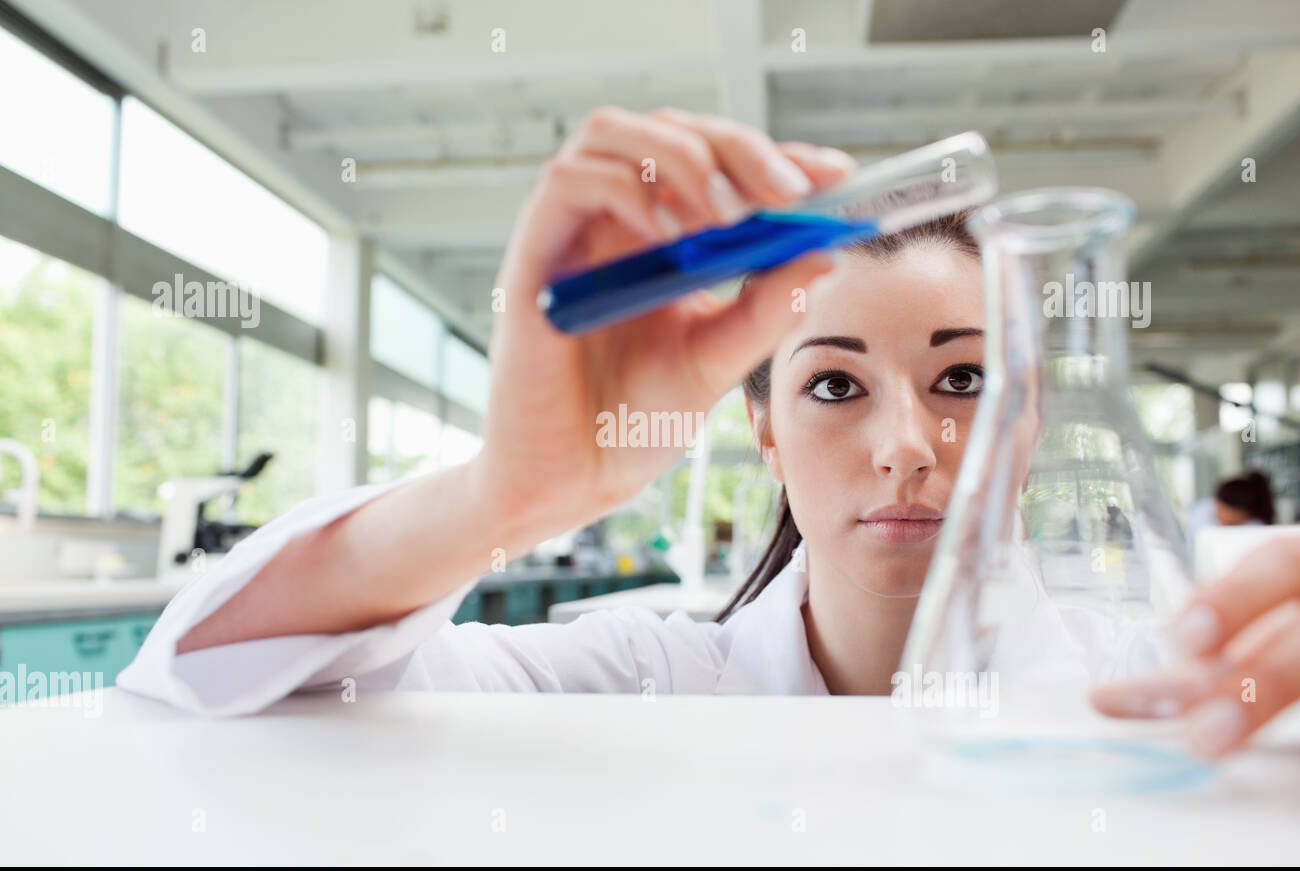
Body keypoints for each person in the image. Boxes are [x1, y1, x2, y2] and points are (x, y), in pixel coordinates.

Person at [118, 107, 1300, 759]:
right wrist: (505, 498)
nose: (905, 444)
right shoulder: (641, 680)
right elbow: (210, 676)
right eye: (834, 386)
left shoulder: (1158, 668)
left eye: (965, 379)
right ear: (764, 428)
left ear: (1031, 416)